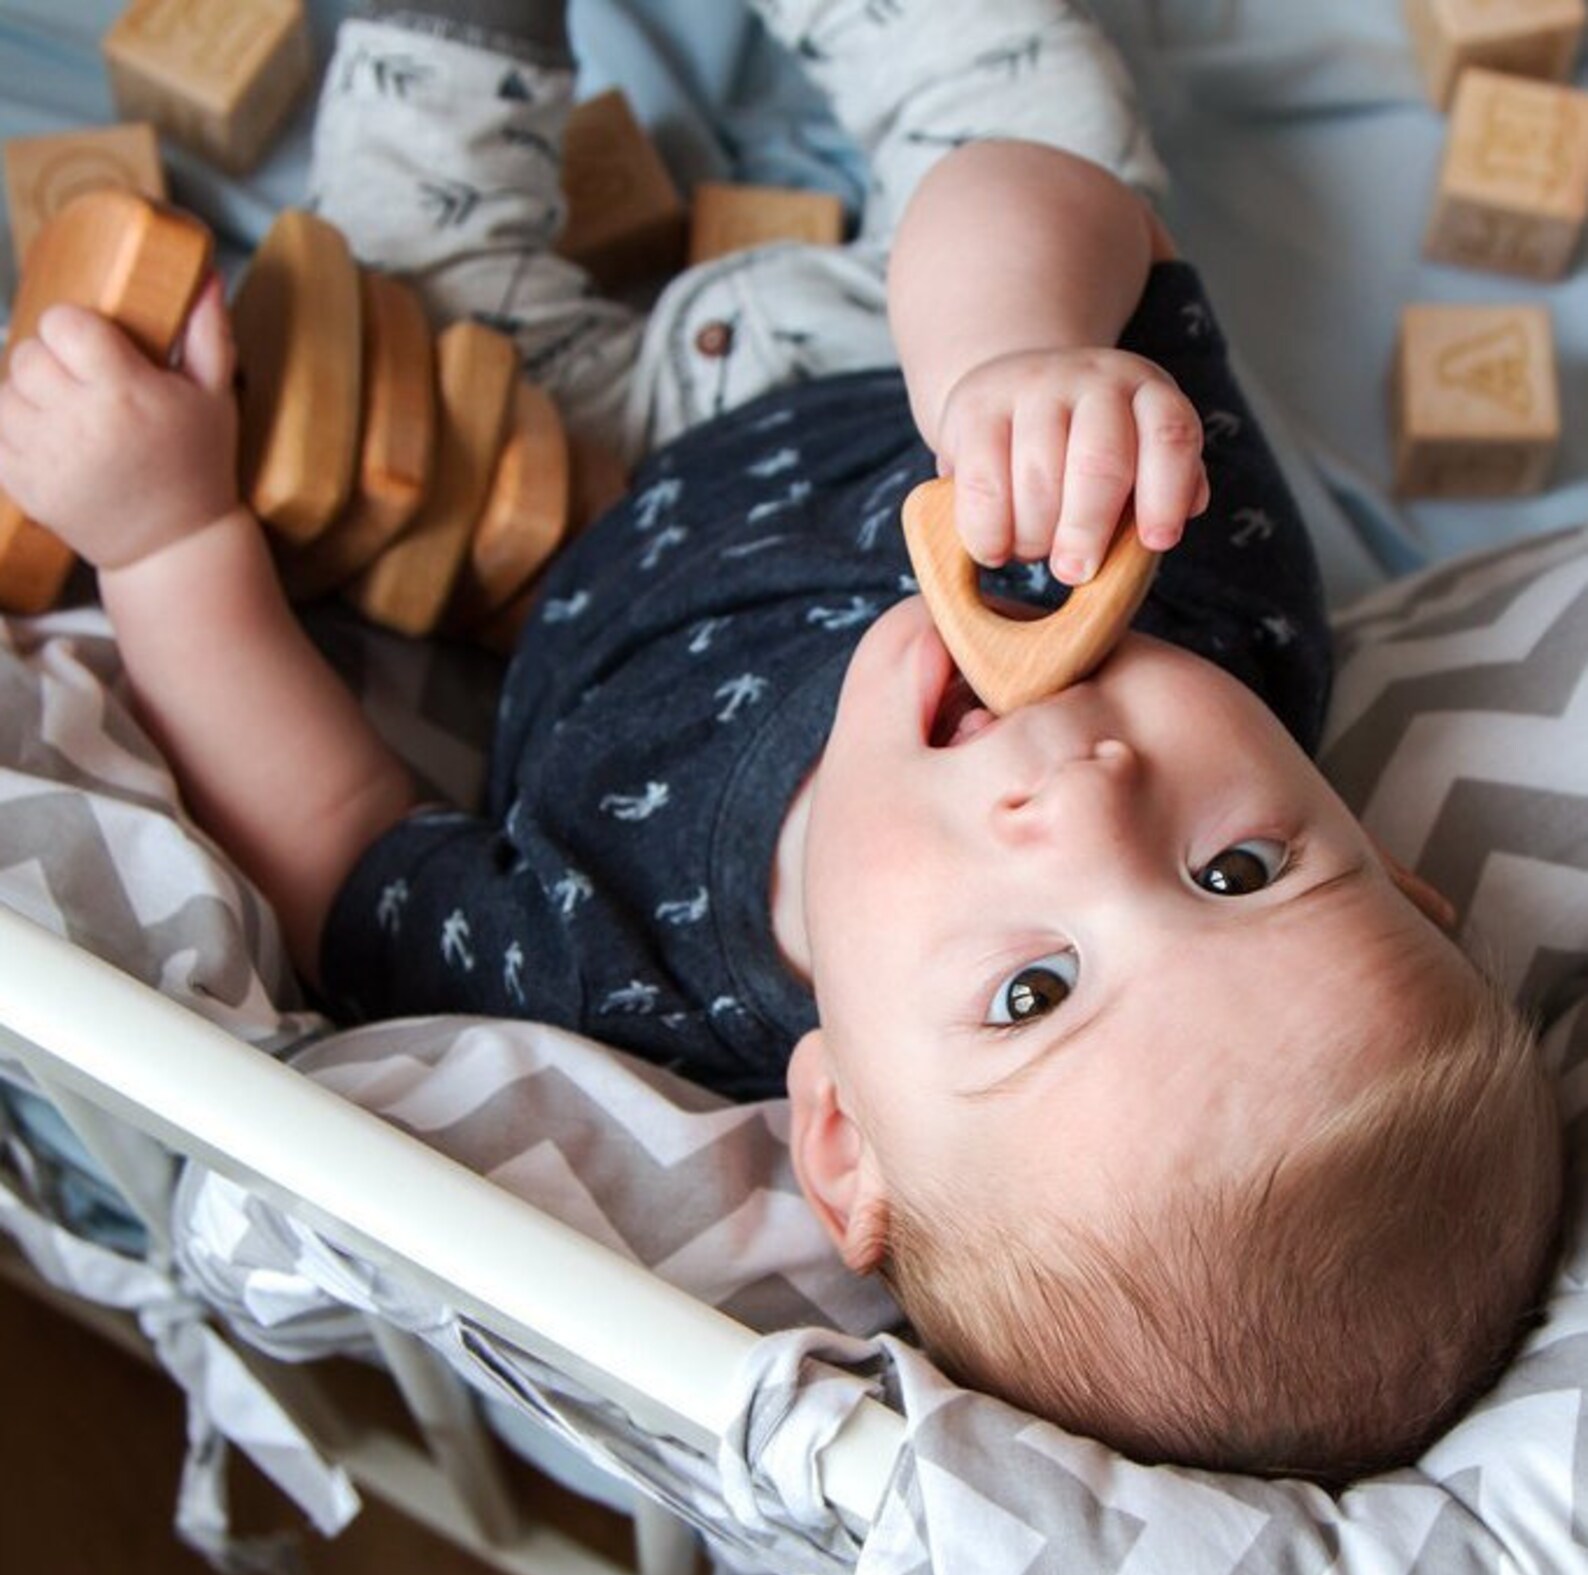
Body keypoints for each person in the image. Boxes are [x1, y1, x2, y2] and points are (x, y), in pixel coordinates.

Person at [0, 0, 1561, 1485]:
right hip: (870, 353)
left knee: (381, 268)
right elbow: (1077, 212)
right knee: (1041, 113)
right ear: (1401, 875)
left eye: (1033, 991)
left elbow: (334, 831)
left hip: (574, 493)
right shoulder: (1188, 574)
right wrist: (1006, 363)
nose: (1084, 805)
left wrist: (168, 538)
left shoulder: (612, 977)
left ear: (838, 1132)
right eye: (1237, 868)